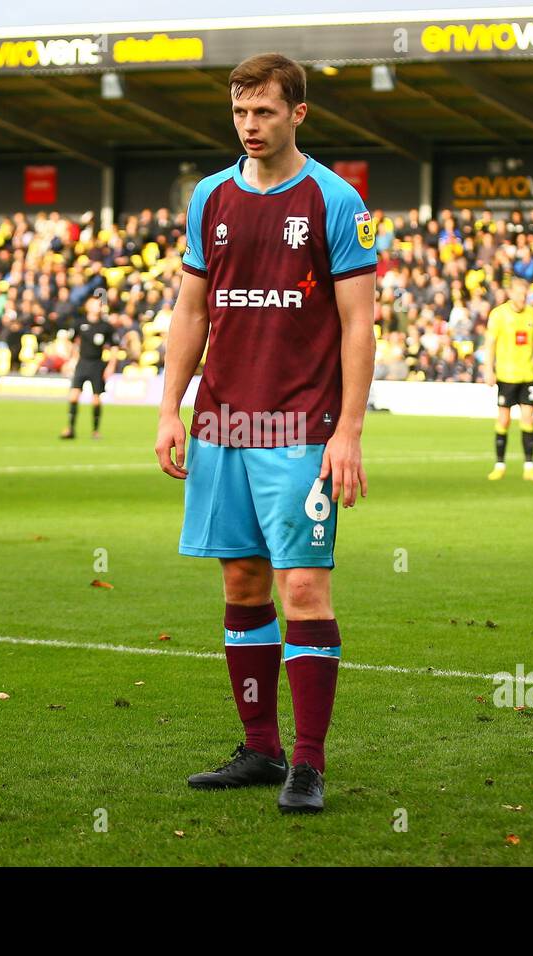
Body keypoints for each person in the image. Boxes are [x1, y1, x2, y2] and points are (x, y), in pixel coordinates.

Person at [153, 53, 377, 814]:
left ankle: (307, 765)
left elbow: (358, 322)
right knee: (242, 583)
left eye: (266, 113)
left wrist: (348, 430)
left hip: (301, 426)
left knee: (305, 587)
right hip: (222, 421)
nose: (251, 126)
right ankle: (259, 747)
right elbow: (191, 311)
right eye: (241, 112)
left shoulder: (334, 200)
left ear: (298, 114)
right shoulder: (209, 198)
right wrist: (168, 407)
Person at [484, 276, 533, 481]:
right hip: (506, 375)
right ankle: (499, 464)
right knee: (504, 419)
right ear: (510, 293)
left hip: (528, 374)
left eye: (525, 294)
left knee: (528, 418)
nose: (522, 298)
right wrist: (488, 369)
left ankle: (529, 466)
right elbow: (490, 343)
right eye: (519, 294)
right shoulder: (499, 314)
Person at [60, 291, 117, 440]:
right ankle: (70, 428)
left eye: (99, 303)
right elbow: (71, 342)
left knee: (96, 399)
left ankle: (95, 431)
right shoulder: (79, 323)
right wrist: (70, 359)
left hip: (97, 364)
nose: (97, 306)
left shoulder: (106, 326)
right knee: (73, 396)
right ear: (87, 306)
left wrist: (111, 365)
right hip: (82, 363)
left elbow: (114, 347)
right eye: (94, 303)